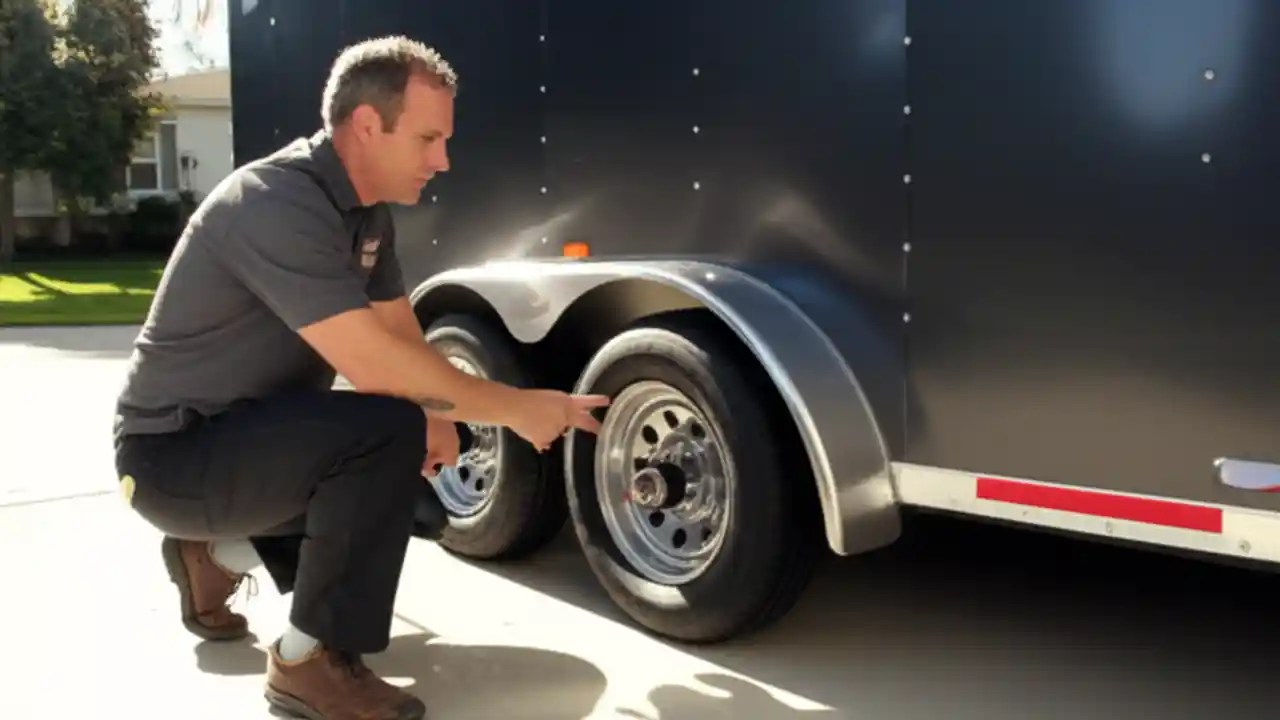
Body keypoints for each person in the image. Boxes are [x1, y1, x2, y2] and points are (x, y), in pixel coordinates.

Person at [112, 35, 609, 720]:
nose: (443, 160)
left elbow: (398, 333)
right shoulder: (274, 203)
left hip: (241, 442)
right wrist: (514, 407)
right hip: (172, 452)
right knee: (380, 438)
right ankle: (305, 664)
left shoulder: (365, 215)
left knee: (410, 481)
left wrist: (440, 418)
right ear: (368, 126)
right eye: (429, 138)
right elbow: (371, 364)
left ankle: (215, 555)